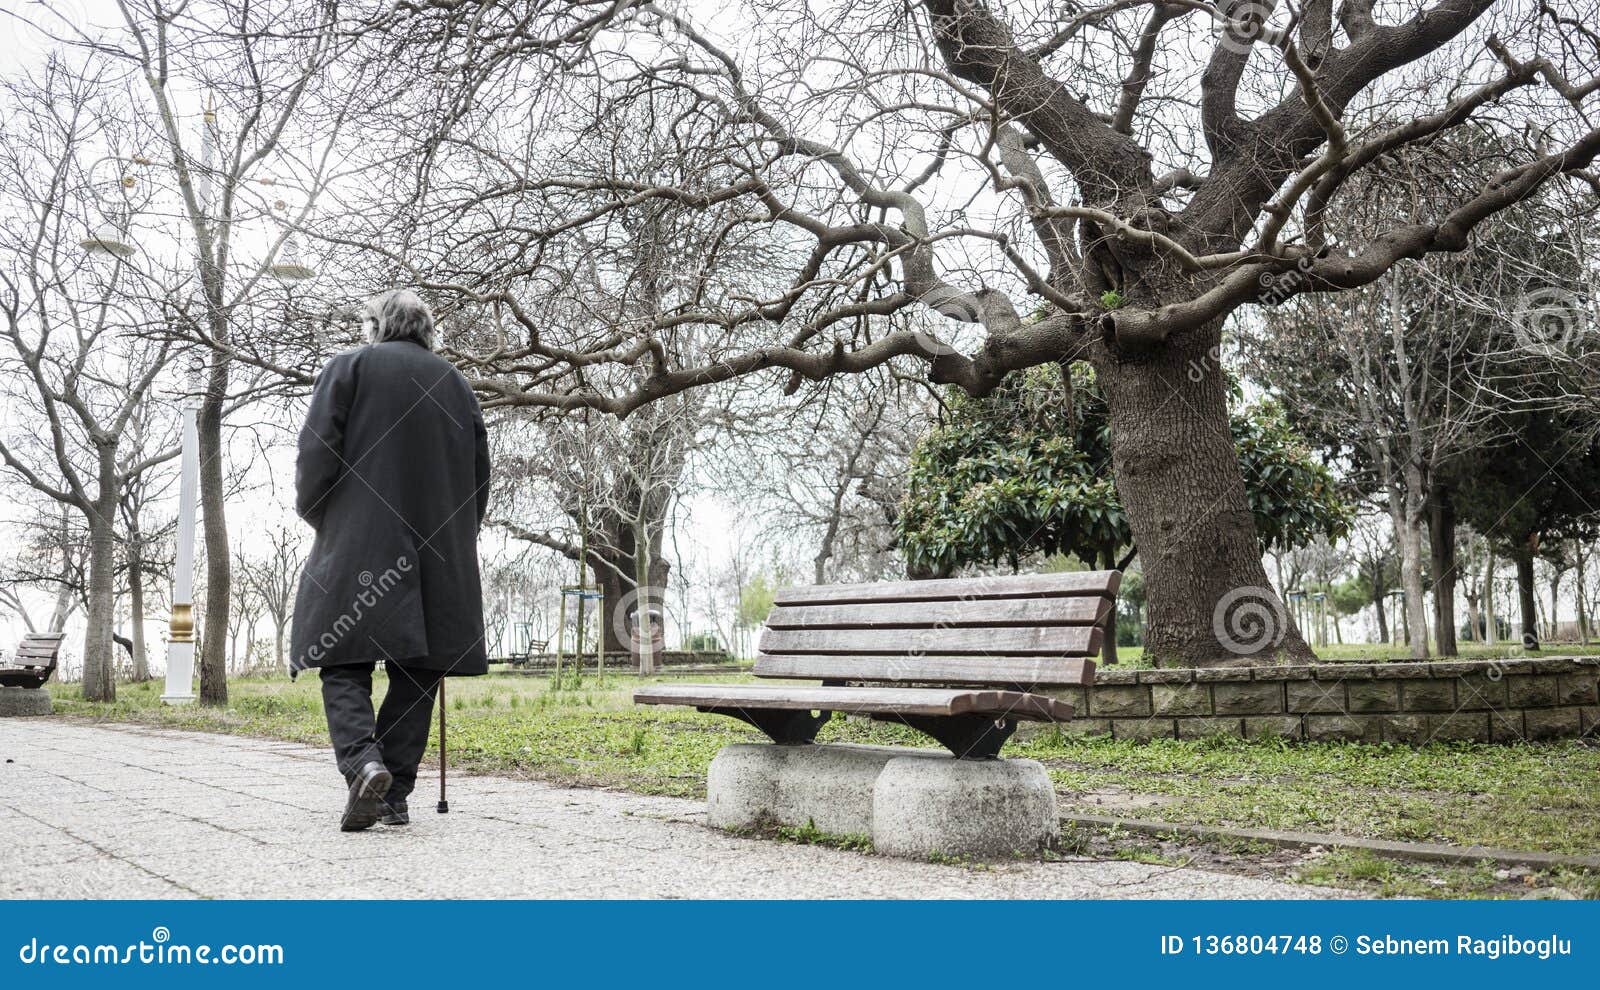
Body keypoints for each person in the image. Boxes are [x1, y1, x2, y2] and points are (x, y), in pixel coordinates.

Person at [290, 289, 491, 831]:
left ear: (376, 326)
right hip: (438, 548)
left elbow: (315, 458)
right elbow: (478, 478)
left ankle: (364, 764)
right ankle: (395, 793)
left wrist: (325, 520)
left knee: (342, 660)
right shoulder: (456, 385)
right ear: (427, 330)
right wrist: (458, 539)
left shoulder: (348, 369)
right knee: (418, 673)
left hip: (358, 540)